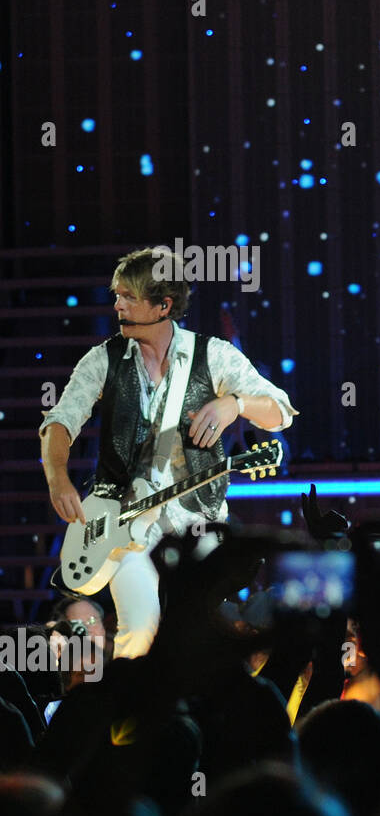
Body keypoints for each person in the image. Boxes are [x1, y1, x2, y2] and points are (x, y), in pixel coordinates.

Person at [39, 248, 298, 658]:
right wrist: (57, 477)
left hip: (197, 524)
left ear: (164, 306)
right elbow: (60, 421)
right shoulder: (103, 359)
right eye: (116, 295)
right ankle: (134, 720)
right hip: (123, 525)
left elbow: (279, 411)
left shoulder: (213, 355)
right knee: (139, 631)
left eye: (128, 297)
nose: (117, 305)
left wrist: (235, 404)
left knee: (194, 635)